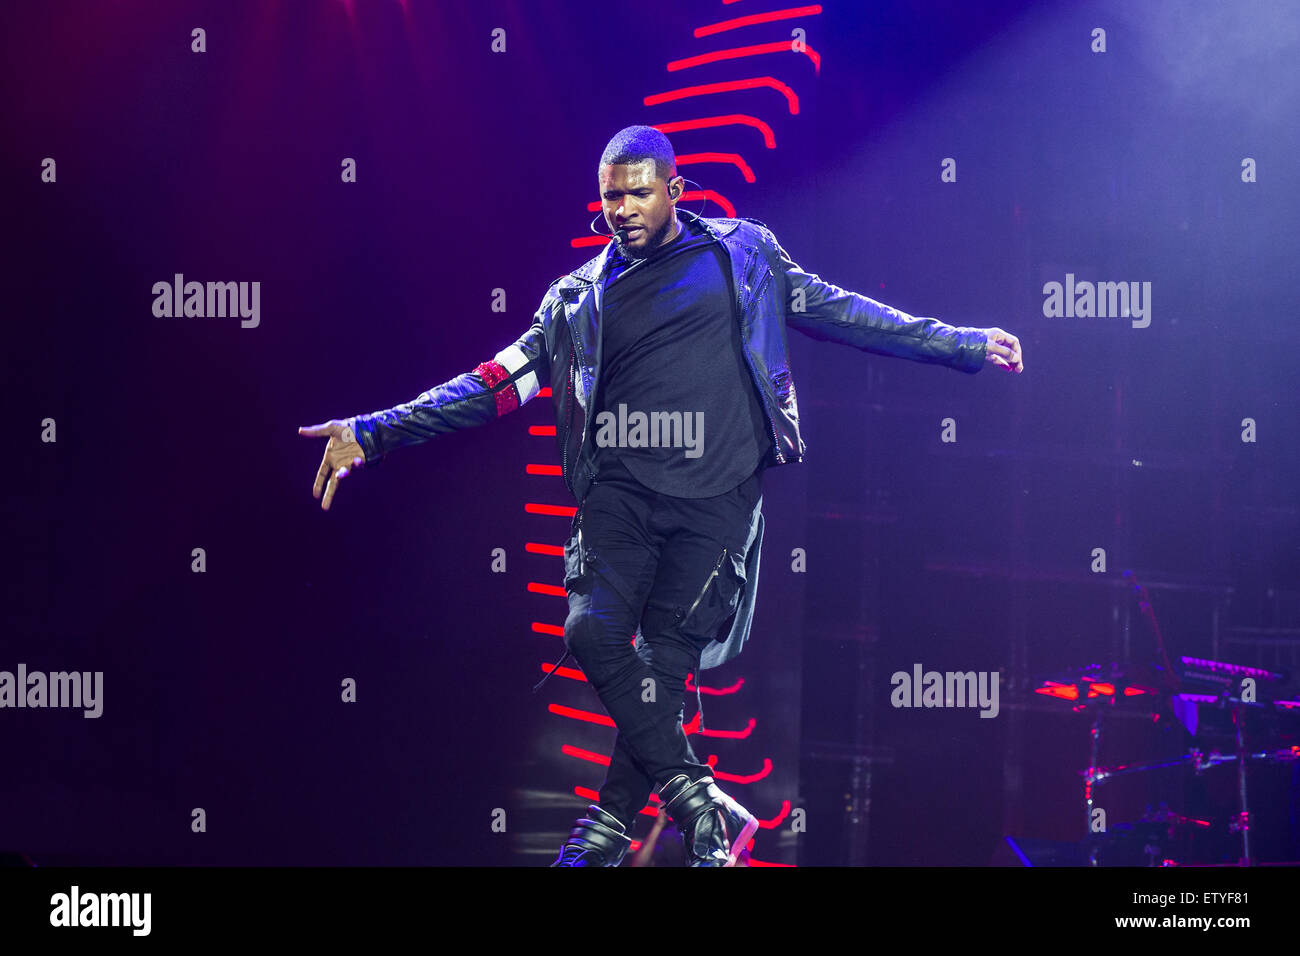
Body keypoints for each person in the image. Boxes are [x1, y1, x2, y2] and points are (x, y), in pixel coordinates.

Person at [299, 125, 1024, 867]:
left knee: (662, 677)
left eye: (637, 192)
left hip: (716, 502)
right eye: (610, 195)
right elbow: (491, 385)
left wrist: (959, 343)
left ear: (675, 191)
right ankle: (698, 803)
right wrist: (377, 429)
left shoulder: (744, 254)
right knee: (591, 632)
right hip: (619, 498)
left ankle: (603, 839)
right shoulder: (576, 299)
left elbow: (842, 312)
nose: (620, 208)